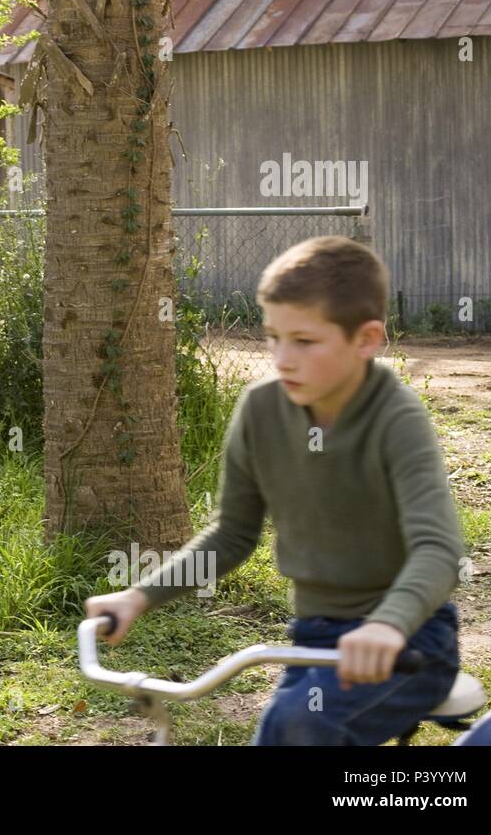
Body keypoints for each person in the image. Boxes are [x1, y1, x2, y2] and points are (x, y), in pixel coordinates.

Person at [86, 236, 466, 744]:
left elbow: (438, 549)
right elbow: (231, 535)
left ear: (367, 339)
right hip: (314, 637)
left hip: (412, 641)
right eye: (273, 337)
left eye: (305, 342)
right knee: (285, 729)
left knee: (296, 727)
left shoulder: (397, 419)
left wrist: (388, 625)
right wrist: (139, 596)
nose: (283, 359)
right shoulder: (262, 410)